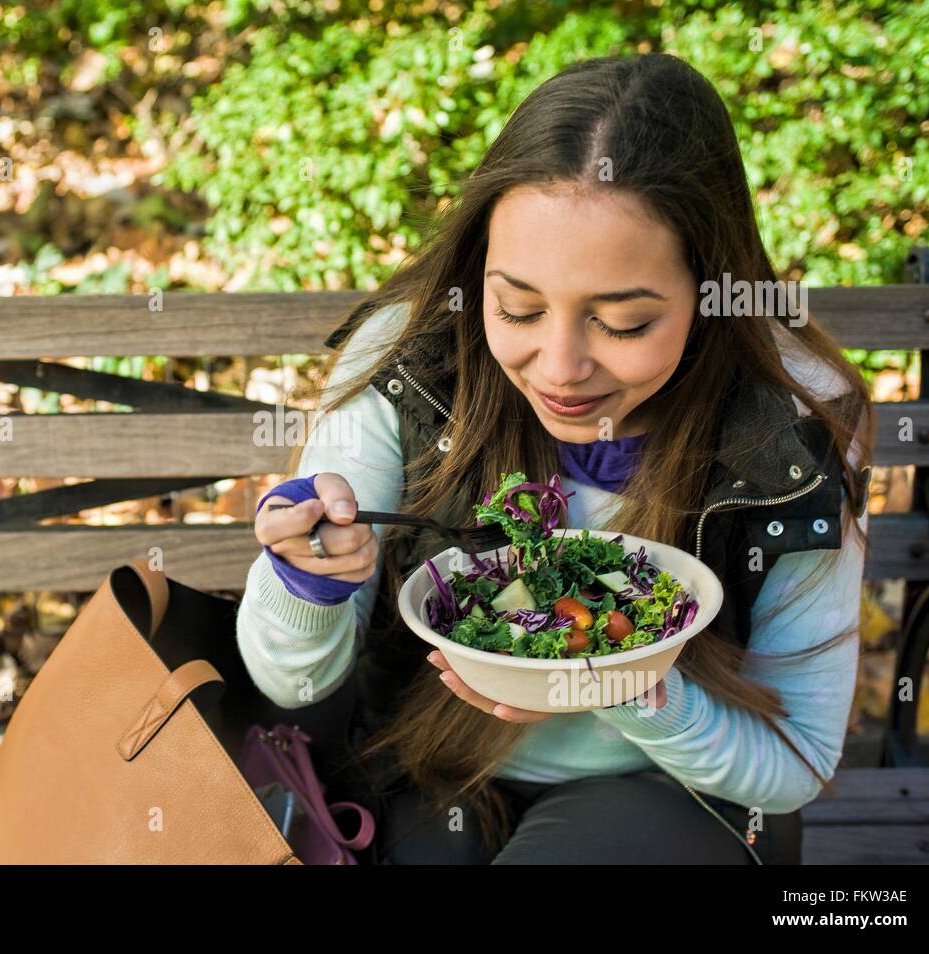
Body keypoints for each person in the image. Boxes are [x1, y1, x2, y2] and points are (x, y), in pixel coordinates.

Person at [236, 53, 874, 865]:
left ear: (711, 292)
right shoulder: (411, 365)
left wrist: (625, 684)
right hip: (430, 766)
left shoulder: (791, 421)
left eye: (623, 323)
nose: (560, 368)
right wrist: (307, 581)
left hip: (678, 795)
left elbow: (796, 760)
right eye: (518, 308)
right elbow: (293, 686)